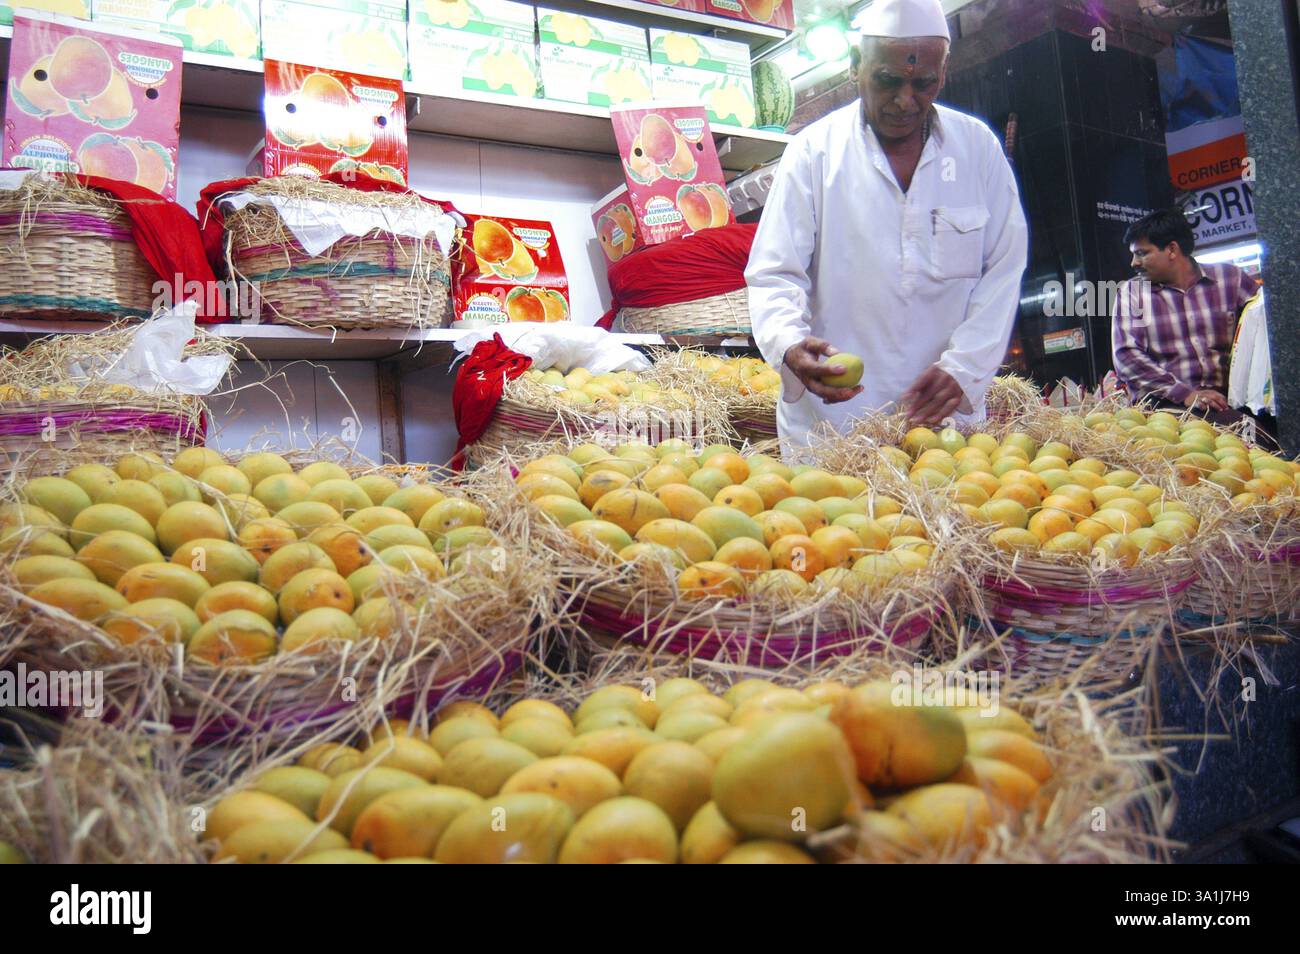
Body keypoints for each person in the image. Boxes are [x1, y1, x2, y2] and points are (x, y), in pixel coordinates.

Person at [745, 0, 1028, 449]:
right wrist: (790, 344)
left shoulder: (978, 150)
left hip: (946, 429)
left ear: (944, 71)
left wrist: (966, 368)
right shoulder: (813, 153)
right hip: (835, 431)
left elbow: (1004, 269)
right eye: (888, 81)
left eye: (923, 83)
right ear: (856, 66)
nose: (905, 100)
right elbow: (773, 274)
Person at [1111, 208, 1258, 426]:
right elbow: (1126, 357)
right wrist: (1186, 394)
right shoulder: (1131, 294)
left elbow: (1265, 332)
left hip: (1232, 406)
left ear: (1172, 249)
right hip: (1166, 413)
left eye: (1142, 253)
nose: (1134, 262)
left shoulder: (1232, 280)